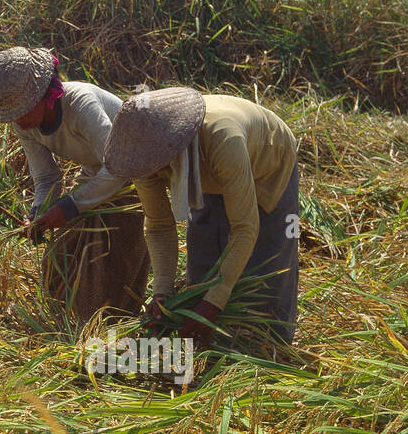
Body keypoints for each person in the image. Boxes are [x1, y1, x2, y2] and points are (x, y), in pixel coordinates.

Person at [102, 86, 300, 348]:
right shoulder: (145, 157)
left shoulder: (224, 139)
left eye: (155, 164)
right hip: (208, 171)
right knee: (203, 262)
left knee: (269, 263)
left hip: (267, 164)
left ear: (173, 147)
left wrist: (213, 304)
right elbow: (159, 226)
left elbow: (245, 228)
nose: (150, 171)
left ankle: (269, 348)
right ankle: (215, 341)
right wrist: (162, 292)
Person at [0, 46, 150, 324]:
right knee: (60, 255)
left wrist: (69, 207)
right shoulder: (23, 124)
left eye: (21, 109)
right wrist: (39, 212)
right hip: (96, 173)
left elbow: (118, 167)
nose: (18, 120)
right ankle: (65, 319)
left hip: (135, 175)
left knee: (108, 258)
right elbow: (47, 177)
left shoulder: (81, 104)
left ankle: (110, 323)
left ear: (45, 93)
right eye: (12, 112)